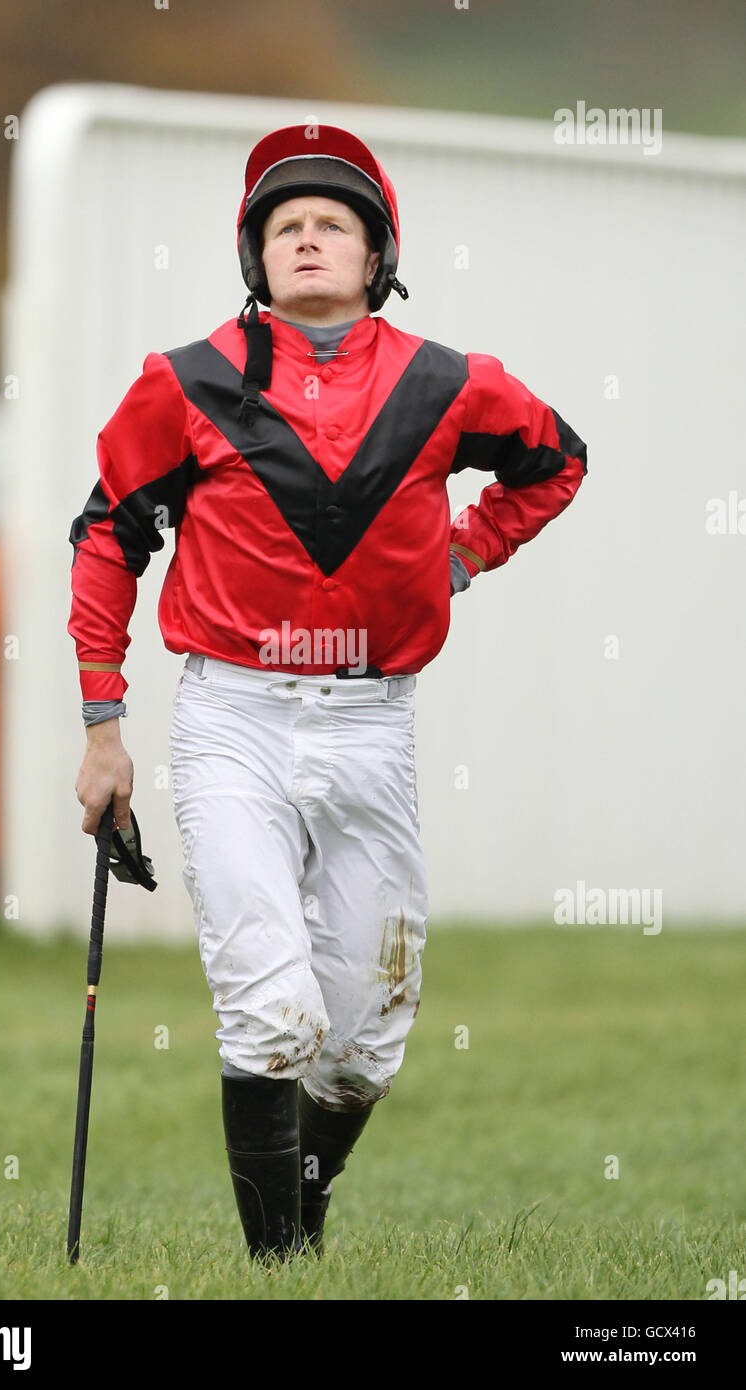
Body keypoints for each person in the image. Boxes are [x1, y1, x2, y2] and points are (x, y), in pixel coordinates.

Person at [68, 123, 587, 1264]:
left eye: (331, 225)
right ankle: (279, 1269)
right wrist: (104, 726)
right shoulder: (183, 380)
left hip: (372, 724)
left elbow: (555, 460)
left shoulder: (451, 382)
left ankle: (301, 1210)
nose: (306, 239)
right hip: (230, 721)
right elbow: (107, 534)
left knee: (362, 1049)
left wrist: (462, 553)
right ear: (254, 258)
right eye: (283, 225)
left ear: (374, 253)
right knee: (272, 1011)